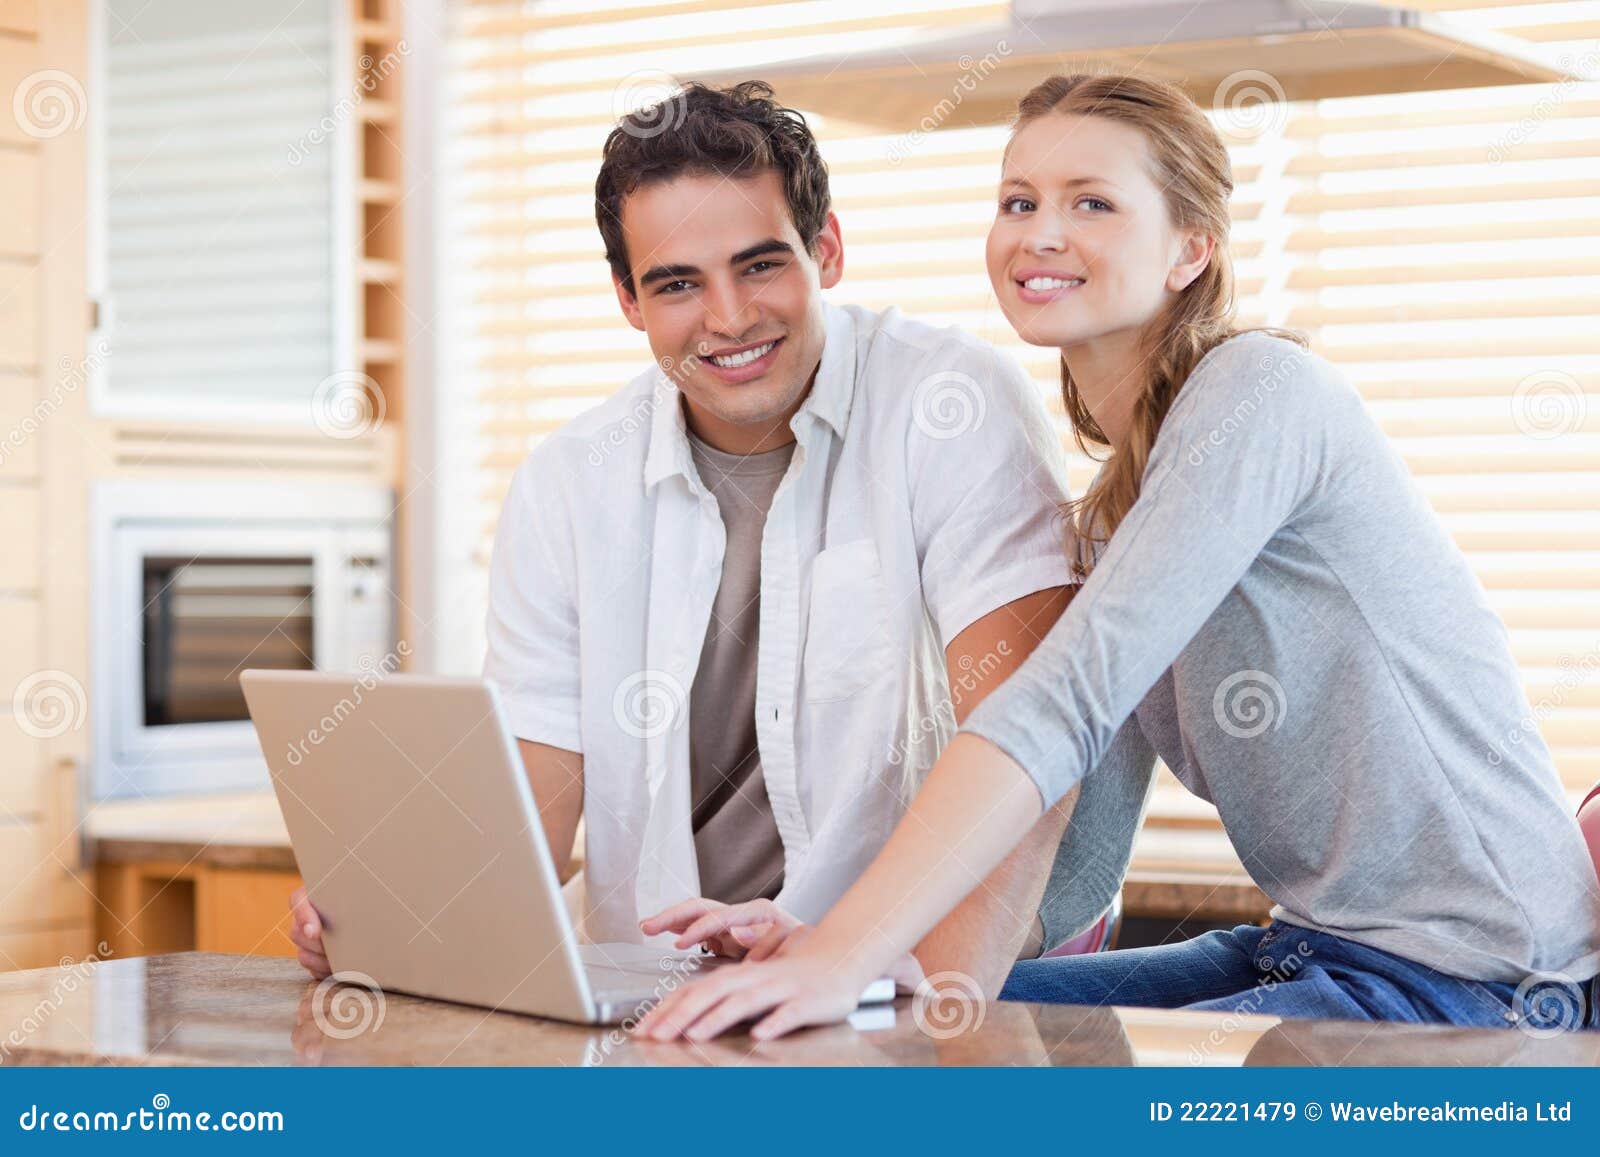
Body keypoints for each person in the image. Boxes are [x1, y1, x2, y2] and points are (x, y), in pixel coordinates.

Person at [634, 73, 1600, 1042]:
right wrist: (858, 954)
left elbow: (1056, 704)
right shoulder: (1112, 513)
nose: (1039, 233)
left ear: (1191, 248)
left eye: (1089, 202)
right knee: (898, 1030)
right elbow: (1074, 811)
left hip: (1479, 976)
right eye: (1019, 201)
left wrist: (840, 953)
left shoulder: (1262, 395)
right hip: (1315, 943)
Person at [287, 81, 1154, 991]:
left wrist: (915, 996)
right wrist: (397, 911)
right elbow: (530, 810)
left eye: (760, 265)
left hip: (883, 980)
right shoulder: (568, 482)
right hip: (655, 1001)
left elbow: (1025, 742)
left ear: (827, 249)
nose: (731, 317)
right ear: (628, 299)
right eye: (676, 284)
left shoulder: (949, 406)